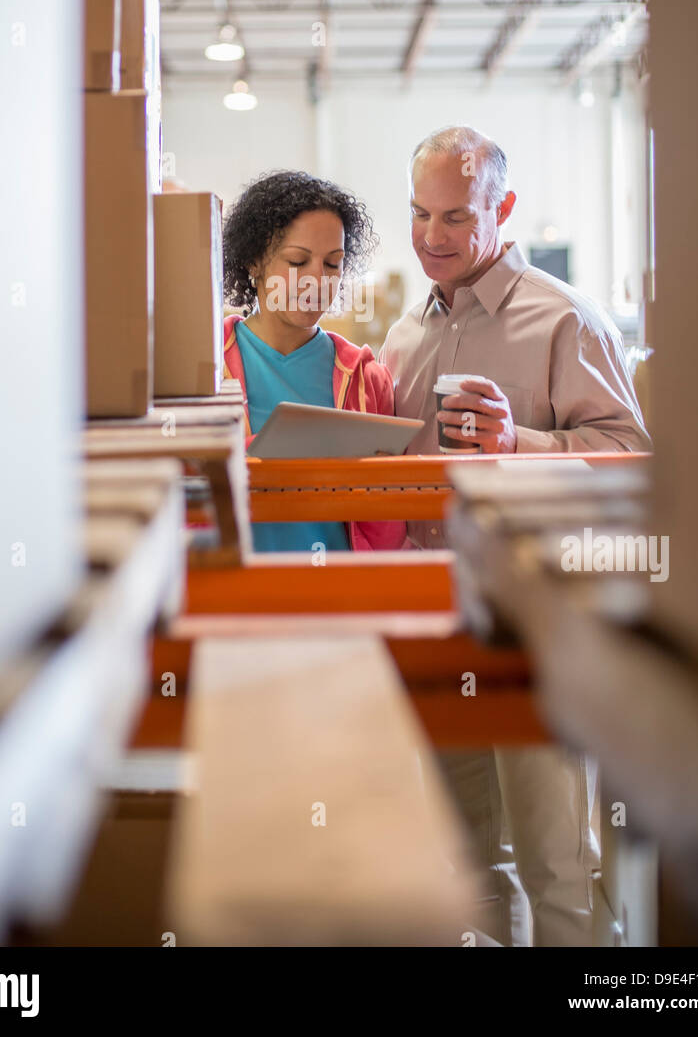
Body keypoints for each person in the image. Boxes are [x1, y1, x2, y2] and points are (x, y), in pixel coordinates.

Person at [379, 125, 651, 947]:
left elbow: (631, 461)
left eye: (455, 217)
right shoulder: (404, 337)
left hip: (542, 634)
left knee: (555, 861)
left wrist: (518, 445)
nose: (431, 237)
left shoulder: (565, 321)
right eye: (419, 215)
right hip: (439, 626)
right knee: (467, 861)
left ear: (502, 208)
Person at [222, 169, 406, 554]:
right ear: (254, 262)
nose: (316, 280)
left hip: (338, 598)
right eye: (297, 261)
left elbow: (387, 532)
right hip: (235, 599)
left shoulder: (366, 379)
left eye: (332, 264)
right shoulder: (207, 366)